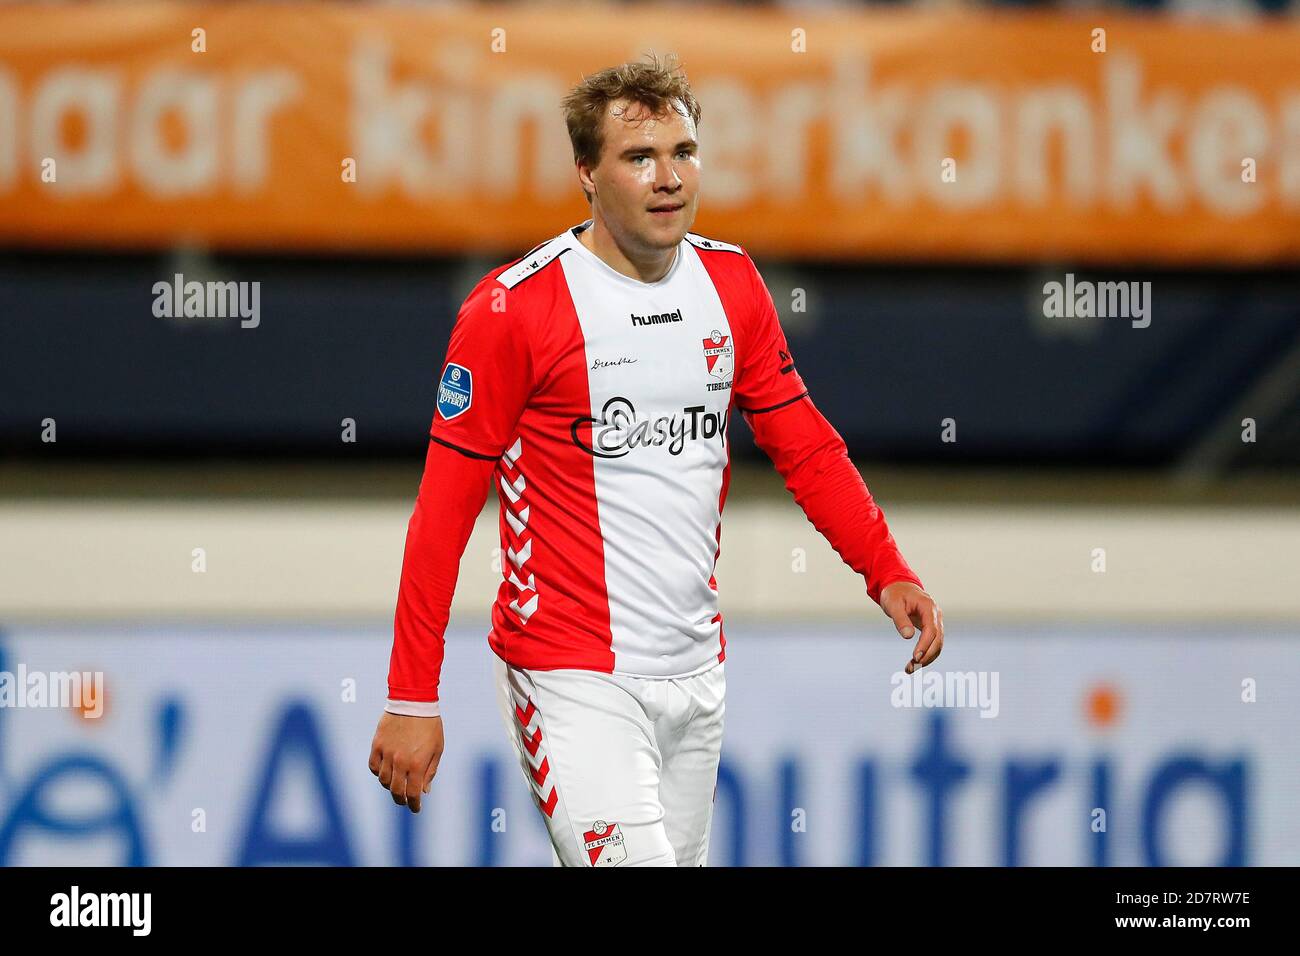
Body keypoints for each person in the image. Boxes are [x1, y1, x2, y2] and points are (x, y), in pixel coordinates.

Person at [369, 52, 943, 867]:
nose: (669, 177)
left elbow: (806, 446)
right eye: (640, 157)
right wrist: (409, 696)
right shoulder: (511, 310)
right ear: (587, 176)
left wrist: (885, 568)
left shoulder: (733, 285)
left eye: (684, 152)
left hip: (697, 674)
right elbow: (442, 515)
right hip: (570, 675)